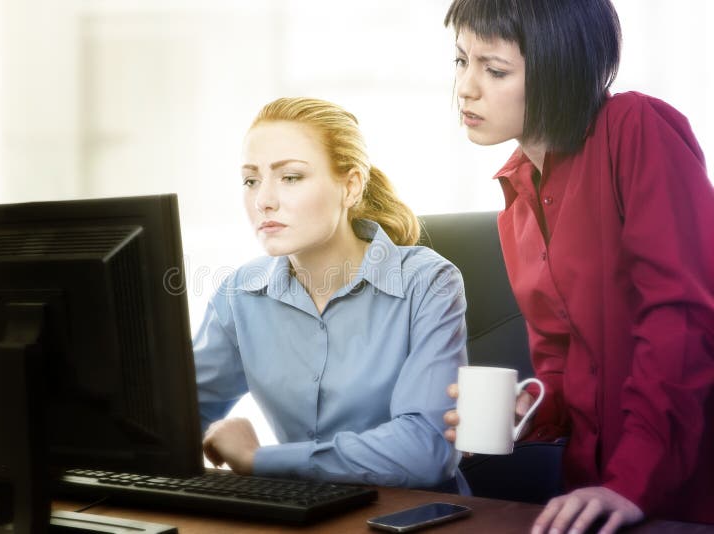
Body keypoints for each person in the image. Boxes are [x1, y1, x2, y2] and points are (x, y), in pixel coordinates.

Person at [440, 0, 714, 532]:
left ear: (558, 69)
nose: (466, 88)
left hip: (678, 491)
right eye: (460, 61)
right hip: (590, 493)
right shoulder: (517, 197)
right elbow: (565, 364)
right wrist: (532, 411)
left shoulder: (635, 128)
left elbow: (682, 321)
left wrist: (631, 482)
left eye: (494, 69)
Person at [193, 97, 469, 491]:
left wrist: (261, 459)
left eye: (290, 177)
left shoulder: (427, 282)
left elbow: (427, 450)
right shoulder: (240, 294)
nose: (263, 199)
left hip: (413, 517)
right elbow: (172, 416)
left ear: (351, 186)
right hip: (305, 516)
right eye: (251, 180)